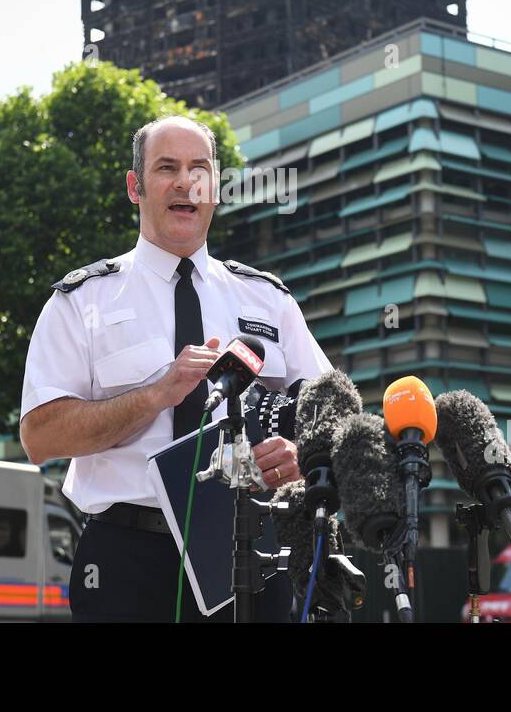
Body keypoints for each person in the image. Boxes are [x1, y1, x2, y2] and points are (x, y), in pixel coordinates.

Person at [19, 115, 333, 622]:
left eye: (199, 169)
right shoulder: (82, 301)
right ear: (135, 186)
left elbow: (332, 408)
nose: (185, 182)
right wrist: (155, 394)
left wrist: (304, 452)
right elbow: (40, 437)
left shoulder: (268, 299)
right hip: (127, 563)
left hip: (252, 554)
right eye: (166, 168)